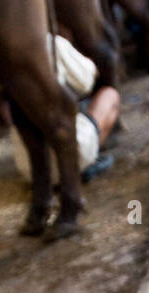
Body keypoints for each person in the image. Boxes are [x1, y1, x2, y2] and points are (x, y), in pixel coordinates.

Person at [12, 35, 121, 186]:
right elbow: (87, 80)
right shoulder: (50, 42)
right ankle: (88, 162)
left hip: (28, 170)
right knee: (110, 95)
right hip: (72, 159)